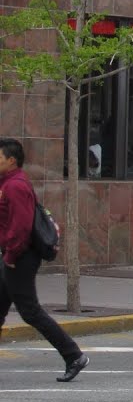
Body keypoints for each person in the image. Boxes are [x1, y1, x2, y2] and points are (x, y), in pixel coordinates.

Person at [0, 138, 88, 382]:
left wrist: (10, 256)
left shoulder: (15, 186)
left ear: (11, 160)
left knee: (30, 311)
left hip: (19, 256)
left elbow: (20, 227)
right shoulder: (8, 182)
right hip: (11, 254)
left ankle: (73, 355)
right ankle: (73, 355)